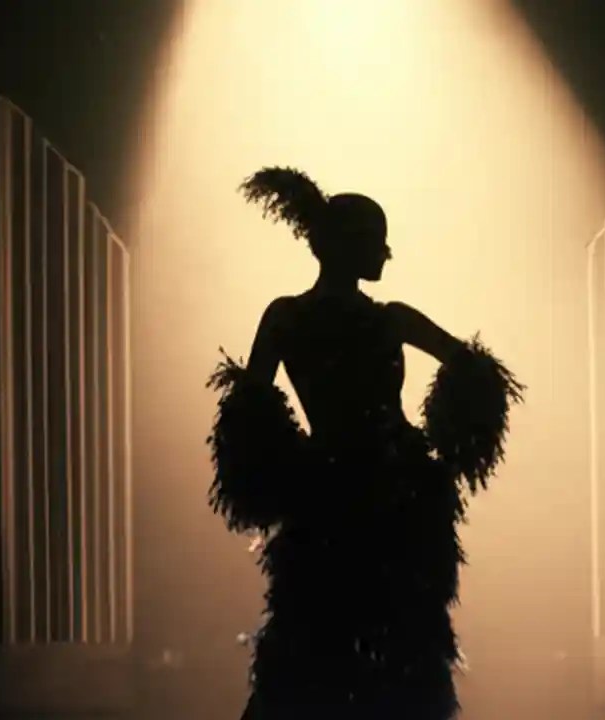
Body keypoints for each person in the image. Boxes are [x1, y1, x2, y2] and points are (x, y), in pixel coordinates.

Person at [207, 167, 524, 720]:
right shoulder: (391, 319)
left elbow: (247, 413)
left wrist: (291, 470)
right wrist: (448, 449)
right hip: (395, 498)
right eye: (379, 241)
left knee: (311, 637)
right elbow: (472, 369)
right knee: (401, 646)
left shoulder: (285, 317)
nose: (388, 253)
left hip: (324, 498)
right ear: (354, 248)